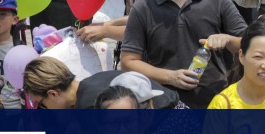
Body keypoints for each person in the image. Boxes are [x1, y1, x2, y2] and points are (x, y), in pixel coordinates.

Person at [22, 56, 180, 109]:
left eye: (41, 104)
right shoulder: (92, 81)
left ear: (52, 93)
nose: (45, 109)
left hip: (171, 126)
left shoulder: (88, 104)